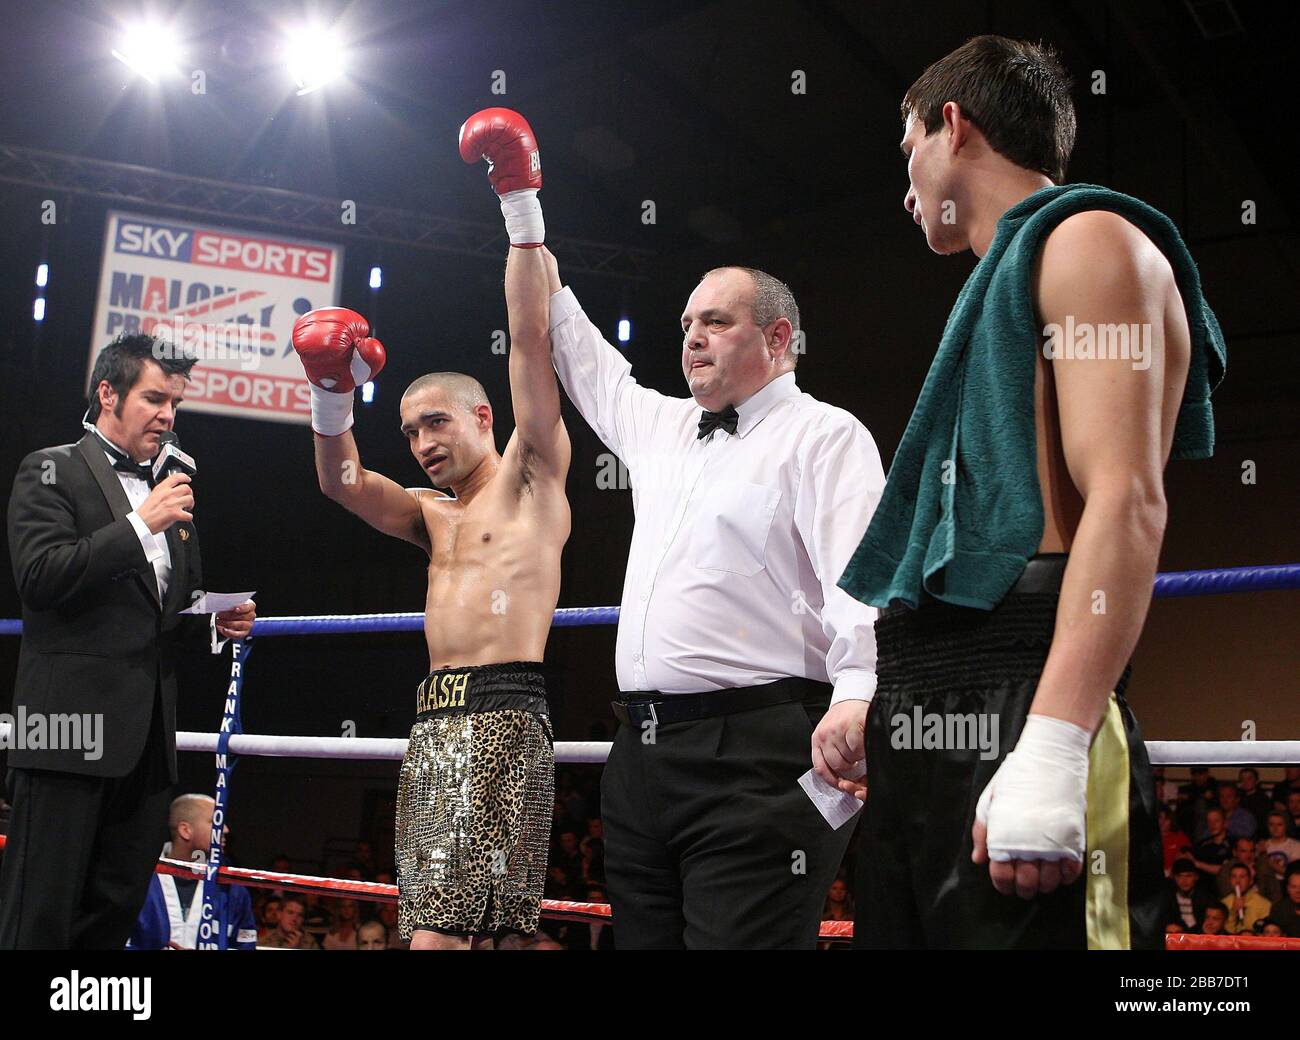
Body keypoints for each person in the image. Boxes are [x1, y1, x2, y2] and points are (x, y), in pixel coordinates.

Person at [463, 105, 887, 948]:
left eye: (714, 323)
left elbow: (860, 577)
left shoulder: (824, 434)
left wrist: (860, 693)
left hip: (763, 754)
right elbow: (568, 341)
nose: (691, 337)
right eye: (686, 323)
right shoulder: (662, 427)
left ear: (776, 338)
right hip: (644, 758)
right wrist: (520, 199)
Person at [837, 35, 1224, 950]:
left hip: (1026, 696)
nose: (905, 190)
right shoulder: (1001, 287)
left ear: (954, 125)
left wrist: (1051, 747)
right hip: (934, 712)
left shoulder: (1088, 239)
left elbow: (1127, 500)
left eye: (910, 152)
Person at [293, 172, 571, 951]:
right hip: (435, 715)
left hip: (502, 710)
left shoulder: (529, 474)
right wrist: (329, 393)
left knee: (440, 938)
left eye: (437, 423)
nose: (423, 444)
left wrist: (518, 198)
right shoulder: (430, 513)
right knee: (450, 928)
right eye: (411, 432)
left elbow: (530, 339)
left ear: (484, 417)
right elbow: (341, 484)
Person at [0, 334, 255, 950]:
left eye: (176, 403)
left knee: (113, 910)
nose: (168, 415)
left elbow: (152, 614)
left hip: (144, 740)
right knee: (40, 910)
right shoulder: (50, 467)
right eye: (155, 398)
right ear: (108, 393)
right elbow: (40, 577)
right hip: (61, 729)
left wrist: (211, 623)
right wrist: (142, 524)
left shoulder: (174, 486)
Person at [127, 794, 256, 950]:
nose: (226, 829)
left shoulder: (233, 890)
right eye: (215, 821)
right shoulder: (139, 879)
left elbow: (245, 946)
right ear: (185, 830)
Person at [1219, 862, 1271, 936]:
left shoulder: (1264, 904)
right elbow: (1226, 932)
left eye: (1242, 877)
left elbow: (1265, 932)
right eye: (1234, 877)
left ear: (1250, 881)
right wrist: (1233, 912)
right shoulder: (1224, 903)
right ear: (1230, 880)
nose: (1238, 881)